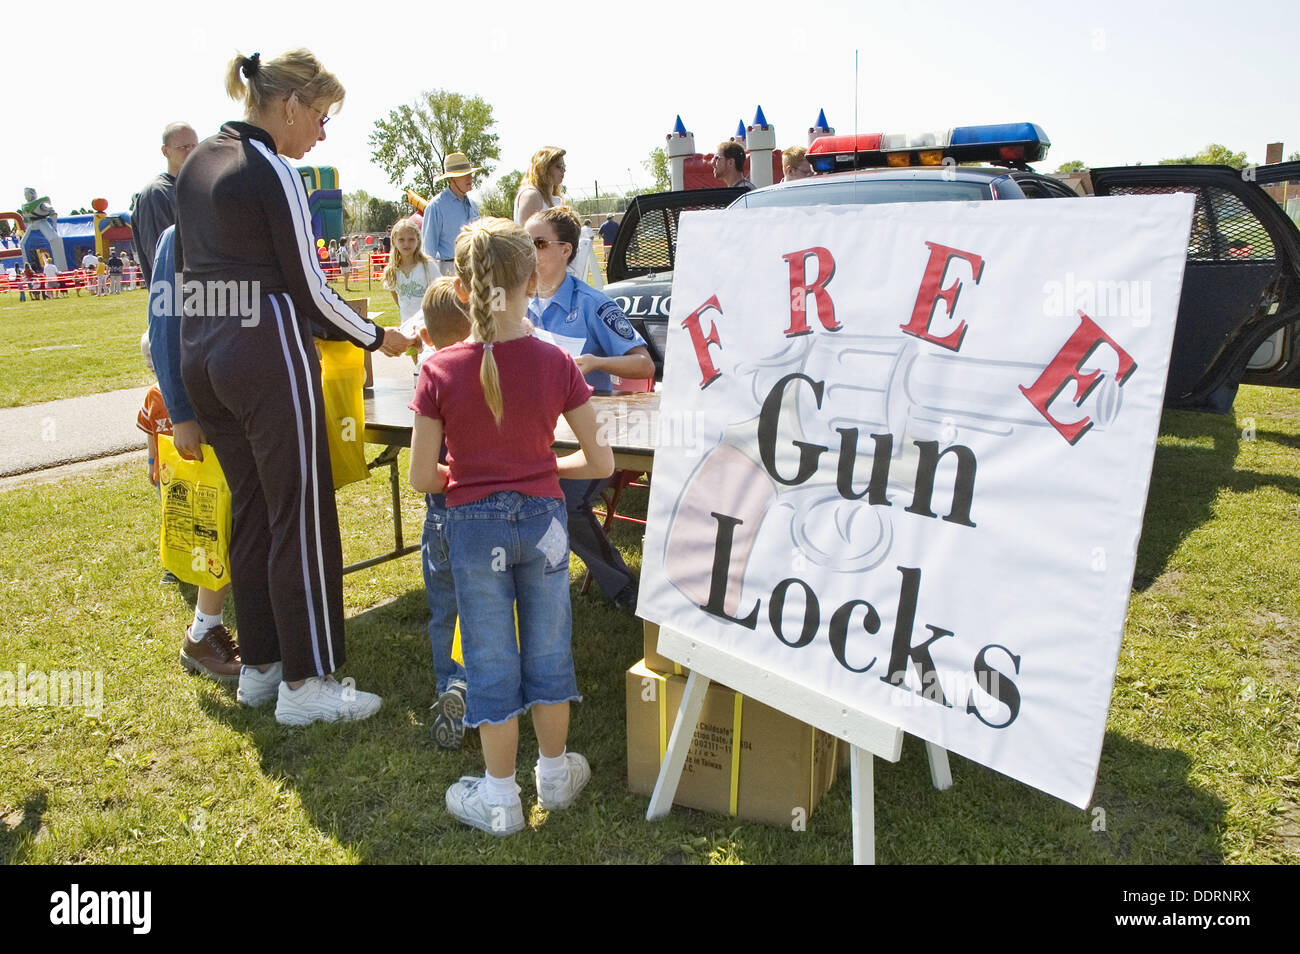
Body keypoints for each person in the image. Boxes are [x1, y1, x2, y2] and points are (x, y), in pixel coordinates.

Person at [176, 48, 409, 726]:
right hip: (264, 350)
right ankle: (308, 683)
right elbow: (309, 289)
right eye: (323, 117)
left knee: (250, 511)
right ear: (290, 107)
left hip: (205, 349)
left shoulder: (197, 162)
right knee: (300, 513)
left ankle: (262, 669)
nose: (322, 134)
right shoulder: (271, 168)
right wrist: (375, 337)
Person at [409, 217, 613, 835]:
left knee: (491, 656)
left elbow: (423, 477)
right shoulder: (556, 361)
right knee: (551, 646)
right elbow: (598, 462)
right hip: (546, 522)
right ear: (533, 278)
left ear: (463, 291)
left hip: (471, 528)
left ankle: (500, 796)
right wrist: (544, 465)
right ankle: (553, 773)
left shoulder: (439, 370)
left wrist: (469, 479)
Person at [525, 206, 654, 612]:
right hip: (537, 428)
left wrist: (596, 362)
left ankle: (621, 586)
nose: (530, 251)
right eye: (523, 242)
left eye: (539, 243)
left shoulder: (595, 304)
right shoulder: (517, 301)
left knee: (563, 497)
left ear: (566, 250)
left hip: (592, 433)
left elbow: (644, 365)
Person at [140, 227, 243, 682]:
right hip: (207, 414)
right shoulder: (179, 236)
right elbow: (164, 327)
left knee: (242, 520)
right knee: (218, 522)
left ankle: (223, 628)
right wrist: (180, 412)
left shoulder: (242, 221)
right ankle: (203, 631)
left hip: (243, 406)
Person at [414, 277, 472, 749]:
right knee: (491, 607)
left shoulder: (430, 374)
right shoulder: (487, 368)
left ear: (427, 335)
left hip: (441, 515)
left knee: (444, 611)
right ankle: (485, 691)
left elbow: (424, 466)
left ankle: (448, 688)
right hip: (486, 511)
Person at [134, 122, 199, 286]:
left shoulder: (198, 189)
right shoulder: (157, 194)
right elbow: (163, 259)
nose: (190, 152)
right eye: (183, 147)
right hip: (176, 299)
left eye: (194, 146)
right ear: (165, 151)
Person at [382, 216, 439, 356]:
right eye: (401, 239)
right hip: (408, 326)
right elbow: (395, 294)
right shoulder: (392, 270)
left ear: (418, 240)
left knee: (430, 359)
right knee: (416, 365)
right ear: (394, 241)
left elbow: (439, 292)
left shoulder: (427, 265)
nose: (406, 243)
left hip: (429, 324)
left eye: (411, 239)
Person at [421, 152, 480, 275]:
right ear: (452, 179)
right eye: (464, 174)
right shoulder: (436, 206)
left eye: (470, 173)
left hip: (474, 269)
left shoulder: (473, 205)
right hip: (448, 272)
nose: (470, 177)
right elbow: (428, 252)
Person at [513, 146, 566, 225]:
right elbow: (528, 234)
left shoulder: (552, 197)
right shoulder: (531, 195)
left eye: (564, 166)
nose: (563, 170)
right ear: (543, 169)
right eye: (558, 166)